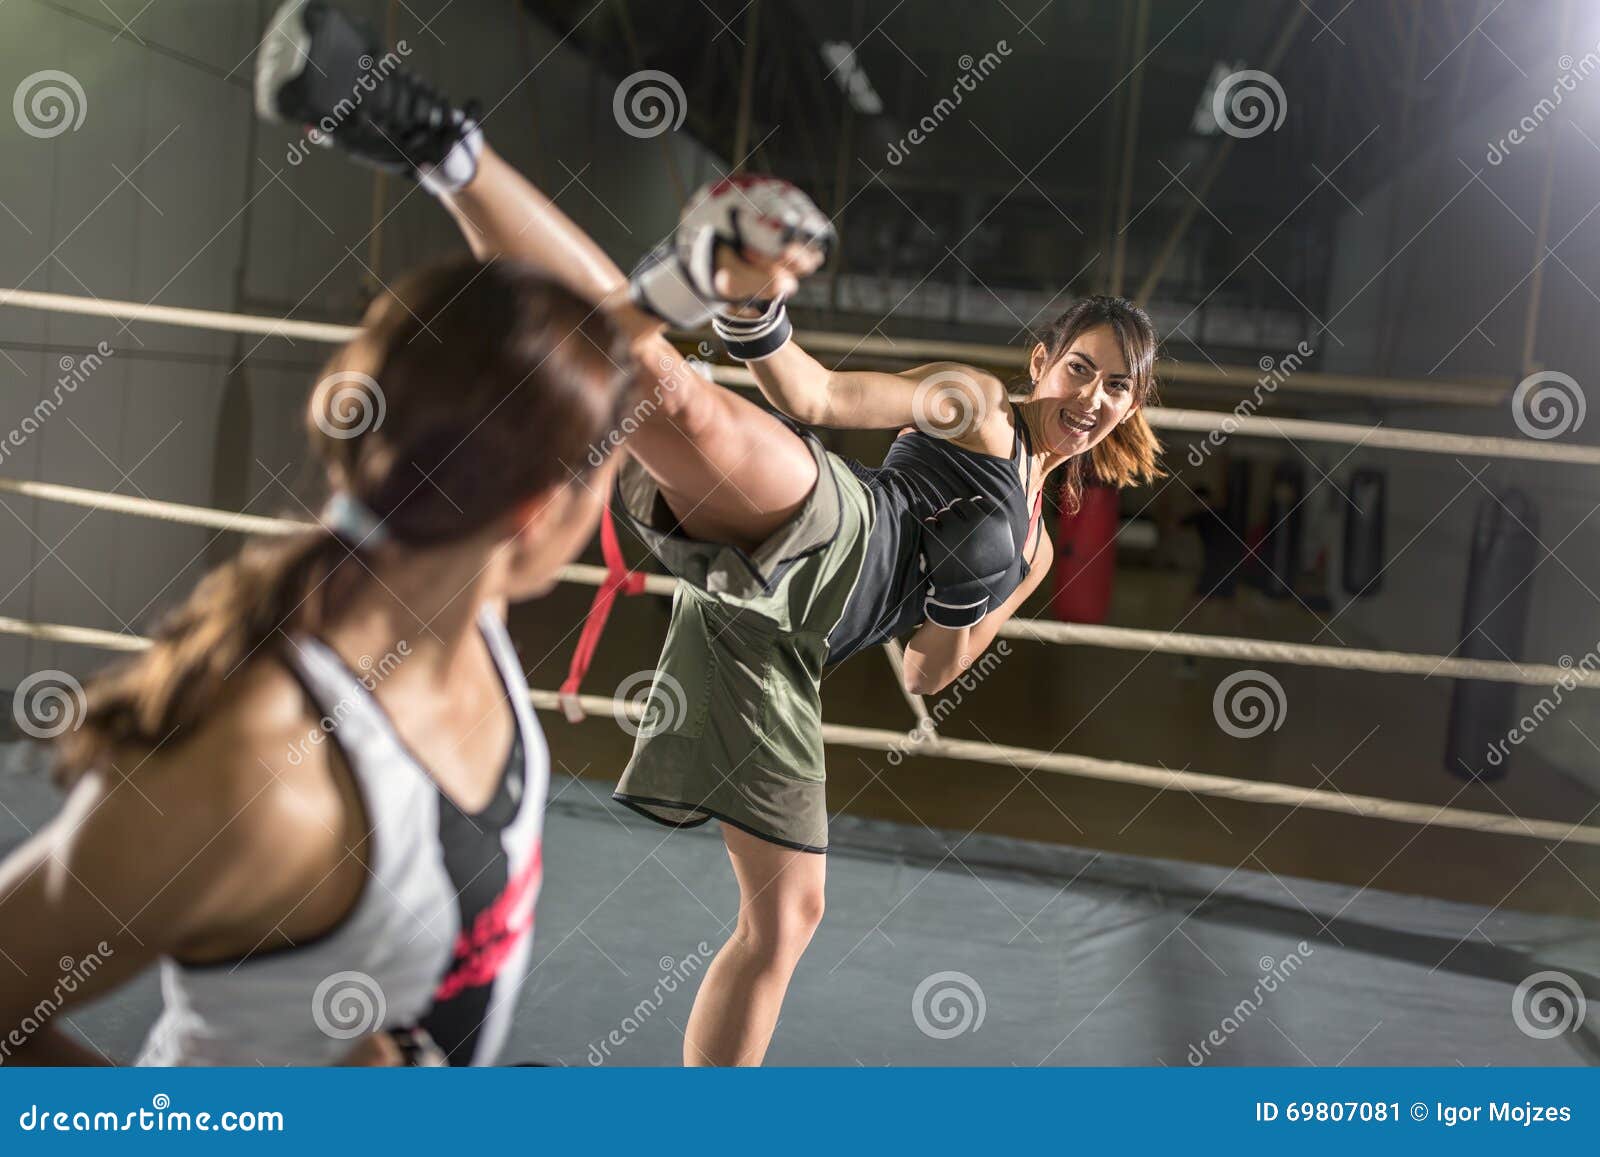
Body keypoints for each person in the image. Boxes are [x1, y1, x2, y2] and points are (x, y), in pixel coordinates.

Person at [254, 0, 1162, 1065]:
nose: (1092, 396)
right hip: (829, 522)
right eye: (1082, 368)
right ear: (1045, 359)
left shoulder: (1040, 548)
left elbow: (926, 671)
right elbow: (819, 397)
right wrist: (757, 323)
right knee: (665, 389)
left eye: (1117, 387)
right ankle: (439, 141)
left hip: (781, 648)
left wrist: (984, 589)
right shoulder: (977, 406)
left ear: (1132, 407)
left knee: (787, 919)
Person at [0, 256, 638, 1065]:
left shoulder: (470, 603)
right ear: (536, 512)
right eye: (606, 480)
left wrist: (700, 278)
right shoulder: (259, 771)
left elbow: (545, 366)